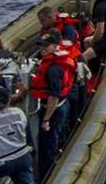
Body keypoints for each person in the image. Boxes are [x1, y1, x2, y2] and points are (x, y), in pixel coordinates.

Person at [17, 32, 75, 176]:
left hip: (54, 110)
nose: (42, 49)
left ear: (55, 47)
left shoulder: (54, 69)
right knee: (57, 137)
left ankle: (46, 176)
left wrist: (46, 119)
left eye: (46, 46)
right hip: (61, 105)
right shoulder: (51, 62)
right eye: (41, 45)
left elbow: (54, 96)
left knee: (47, 145)